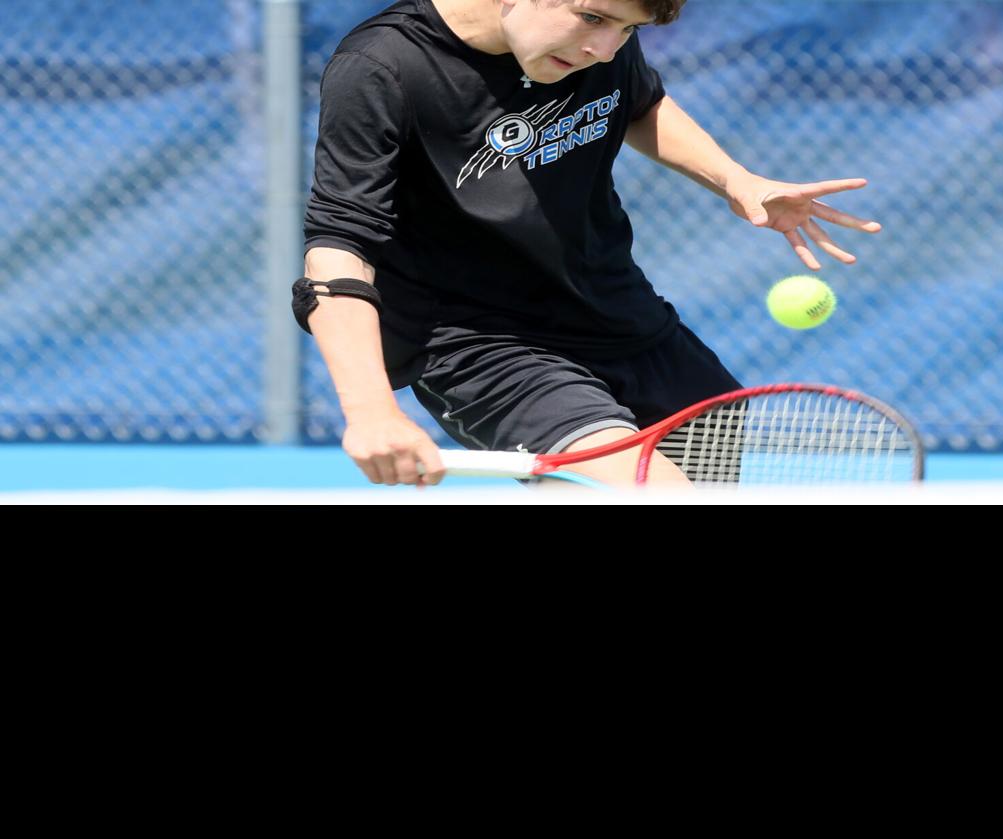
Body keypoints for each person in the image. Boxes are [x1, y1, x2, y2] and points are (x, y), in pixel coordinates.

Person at [298, 0, 882, 486]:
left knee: (711, 463)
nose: (605, 48)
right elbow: (339, 243)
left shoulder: (595, 33)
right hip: (480, 343)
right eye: (593, 19)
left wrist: (736, 180)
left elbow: (637, 102)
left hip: (618, 311)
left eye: (627, 30)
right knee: (657, 493)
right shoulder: (382, 66)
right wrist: (371, 410)